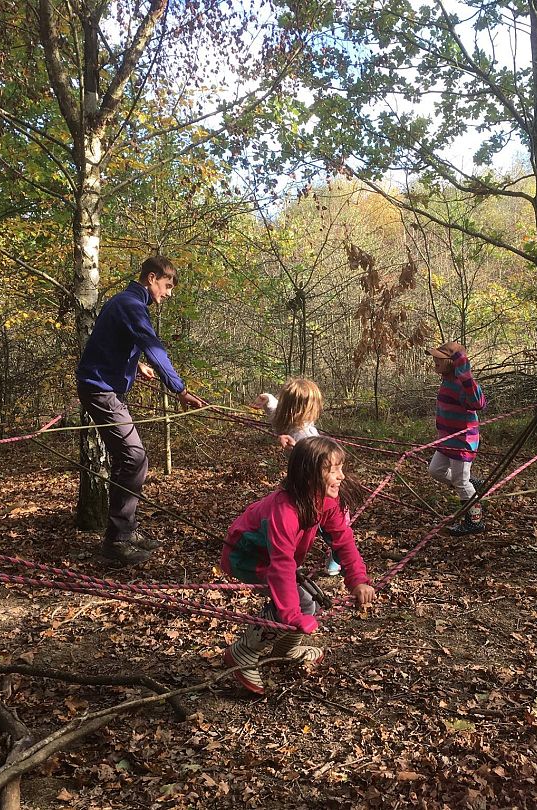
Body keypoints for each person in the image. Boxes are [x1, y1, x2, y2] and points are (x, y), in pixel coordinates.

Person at [75, 255, 206, 566]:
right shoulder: (132, 306)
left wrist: (137, 365)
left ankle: (126, 530)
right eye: (167, 285)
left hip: (105, 387)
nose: (169, 293)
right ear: (151, 278)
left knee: (131, 459)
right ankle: (117, 540)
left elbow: (115, 341)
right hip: (100, 390)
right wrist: (180, 389)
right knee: (134, 457)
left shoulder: (124, 302)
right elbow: (152, 344)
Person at [220, 436, 375, 696]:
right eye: (333, 470)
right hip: (248, 558)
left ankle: (286, 650)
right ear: (310, 474)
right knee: (299, 604)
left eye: (341, 468)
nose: (341, 476)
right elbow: (281, 565)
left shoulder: (326, 501)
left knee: (306, 603)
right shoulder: (284, 511)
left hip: (274, 558)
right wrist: (290, 615)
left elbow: (343, 540)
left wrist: (358, 579)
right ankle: (244, 652)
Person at [254, 378, 342, 575]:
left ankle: (301, 555)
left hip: (300, 483)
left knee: (313, 520)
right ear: (305, 409)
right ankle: (336, 554)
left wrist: (267, 399)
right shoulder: (302, 434)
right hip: (313, 484)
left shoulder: (286, 421)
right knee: (326, 520)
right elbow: (316, 462)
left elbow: (275, 409)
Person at [427, 340, 487, 535]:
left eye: (440, 358)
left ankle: (474, 521)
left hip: (462, 441)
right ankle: (471, 484)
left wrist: (466, 374)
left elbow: (478, 403)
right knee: (436, 470)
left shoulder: (461, 383)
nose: (435, 360)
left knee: (461, 482)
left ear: (453, 363)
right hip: (447, 440)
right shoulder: (446, 379)